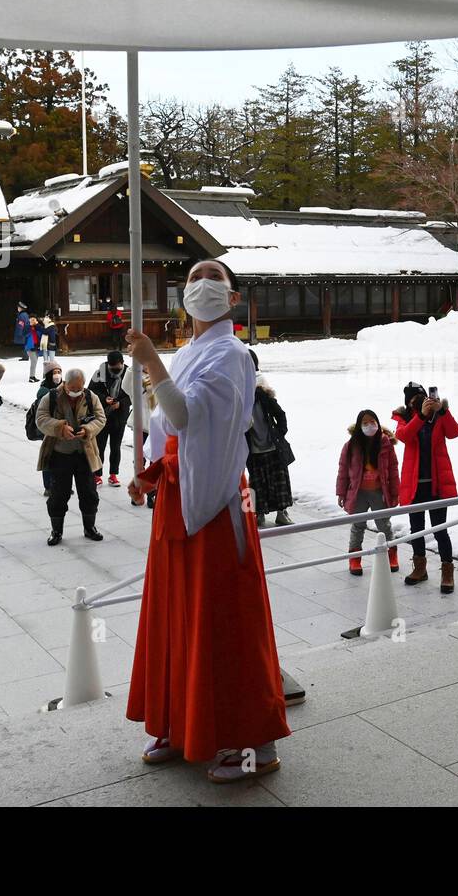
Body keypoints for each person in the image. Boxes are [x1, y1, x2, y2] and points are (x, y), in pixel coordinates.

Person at [123, 258, 289, 782]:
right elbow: (166, 429)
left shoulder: (232, 353)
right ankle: (179, 720)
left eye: (215, 278)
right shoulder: (192, 351)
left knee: (224, 616)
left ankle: (254, 743)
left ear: (233, 298)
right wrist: (150, 472)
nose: (203, 285)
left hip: (214, 500)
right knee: (175, 612)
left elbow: (188, 416)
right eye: (195, 278)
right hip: (179, 494)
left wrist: (151, 361)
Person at [393, 380, 458, 593]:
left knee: (440, 530)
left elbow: (455, 432)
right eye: (414, 399)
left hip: (437, 484)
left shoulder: (439, 417)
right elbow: (403, 436)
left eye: (422, 397)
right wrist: (420, 416)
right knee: (417, 530)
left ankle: (447, 571)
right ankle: (420, 568)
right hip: (415, 485)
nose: (420, 401)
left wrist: (443, 412)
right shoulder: (405, 418)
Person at [35, 367, 106, 545]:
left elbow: (101, 418)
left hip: (85, 454)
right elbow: (41, 418)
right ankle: (56, 531)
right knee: (58, 494)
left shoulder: (91, 396)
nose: (76, 392)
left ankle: (90, 527)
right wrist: (59, 428)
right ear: (65, 384)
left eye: (79, 388)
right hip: (60, 454)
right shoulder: (51, 397)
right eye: (72, 388)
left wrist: (88, 430)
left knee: (89, 493)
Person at [336, 409, 400, 577]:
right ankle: (354, 558)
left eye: (372, 421)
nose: (369, 425)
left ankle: (391, 554)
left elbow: (393, 470)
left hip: (379, 491)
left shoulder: (385, 443)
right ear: (359, 426)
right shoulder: (351, 446)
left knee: (384, 524)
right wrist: (341, 493)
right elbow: (343, 470)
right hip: (358, 493)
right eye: (365, 423)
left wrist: (395, 493)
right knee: (358, 525)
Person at [245, 350, 294, 526]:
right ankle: (255, 515)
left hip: (272, 447)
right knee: (255, 482)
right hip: (253, 449)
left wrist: (279, 434)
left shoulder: (263, 393)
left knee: (279, 481)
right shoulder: (238, 397)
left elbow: (280, 414)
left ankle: (282, 513)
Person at [90, 350, 131, 487]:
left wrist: (121, 404)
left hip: (120, 416)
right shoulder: (99, 373)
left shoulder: (129, 373)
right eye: (111, 367)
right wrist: (104, 399)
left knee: (116, 447)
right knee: (99, 446)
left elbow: (133, 394)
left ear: (122, 363)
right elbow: (91, 391)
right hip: (102, 416)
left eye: (117, 367)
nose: (114, 370)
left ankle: (113, 474)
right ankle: (97, 474)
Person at [35, 361, 63, 496]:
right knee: (49, 457)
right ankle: (48, 486)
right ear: (48, 375)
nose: (57, 375)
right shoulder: (44, 391)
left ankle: (63, 484)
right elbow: (43, 413)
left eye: (59, 372)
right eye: (54, 373)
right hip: (48, 430)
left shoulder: (65, 388)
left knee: (63, 458)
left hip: (62, 429)